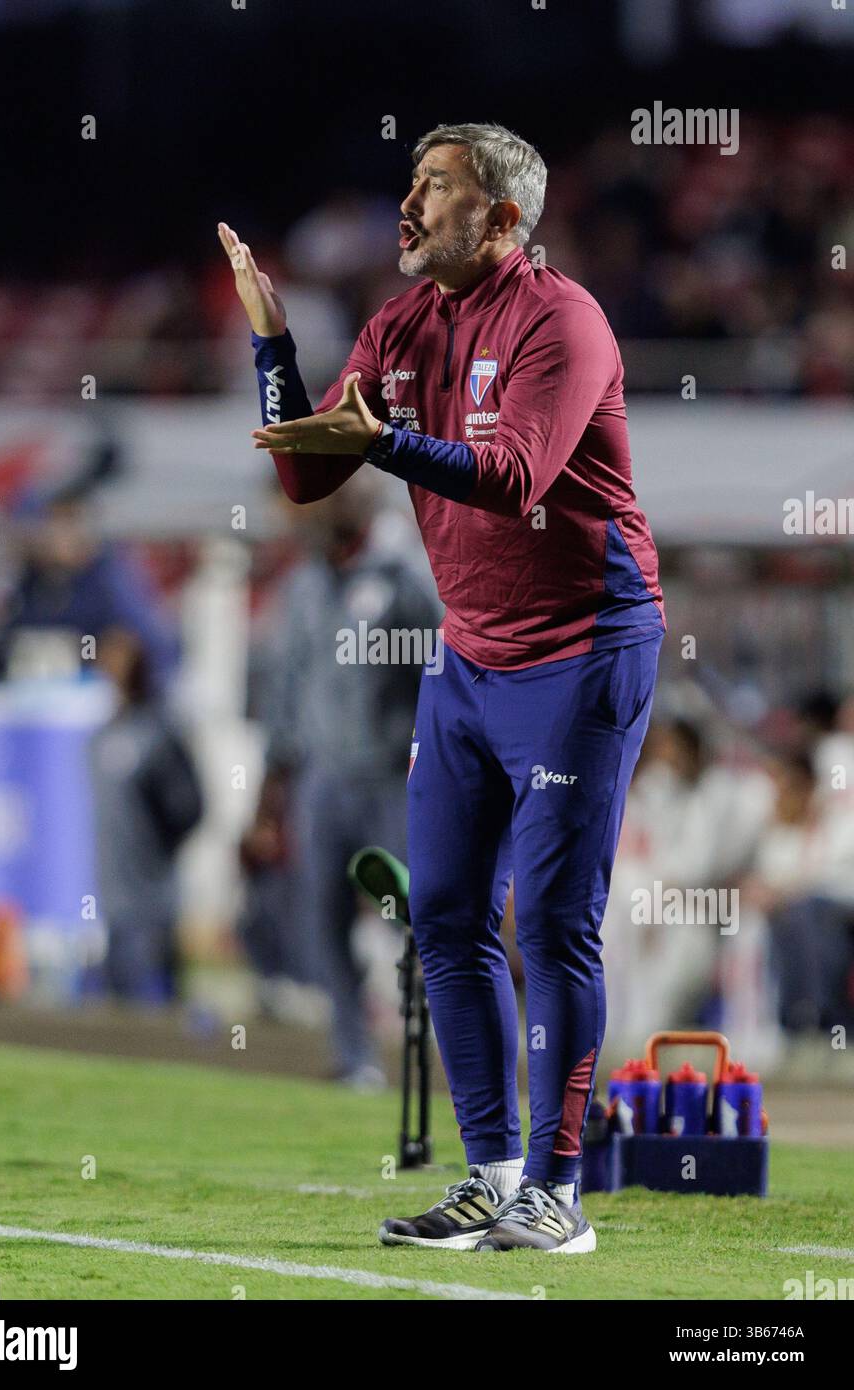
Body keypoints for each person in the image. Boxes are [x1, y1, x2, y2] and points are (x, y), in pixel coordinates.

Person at [219, 121, 665, 1253]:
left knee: (553, 924)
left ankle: (558, 1198)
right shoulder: (405, 318)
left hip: (581, 647)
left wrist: (380, 442)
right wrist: (274, 341)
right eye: (410, 184)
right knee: (445, 917)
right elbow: (307, 471)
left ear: (503, 219)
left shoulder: (562, 319)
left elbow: (513, 475)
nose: (407, 206)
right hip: (471, 654)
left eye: (436, 188)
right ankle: (492, 1174)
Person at [243, 474, 441, 1085]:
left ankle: (448, 1051)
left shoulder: (403, 575)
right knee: (322, 916)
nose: (304, 517)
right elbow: (284, 696)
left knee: (416, 916)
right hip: (320, 781)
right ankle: (354, 1056)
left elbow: (446, 672)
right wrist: (268, 796)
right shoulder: (301, 588)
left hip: (393, 780)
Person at [90, 628, 203, 1002]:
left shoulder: (158, 734)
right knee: (115, 1011)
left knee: (152, 1004)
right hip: (110, 899)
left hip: (150, 901)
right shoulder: (101, 736)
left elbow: (190, 807)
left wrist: (156, 849)